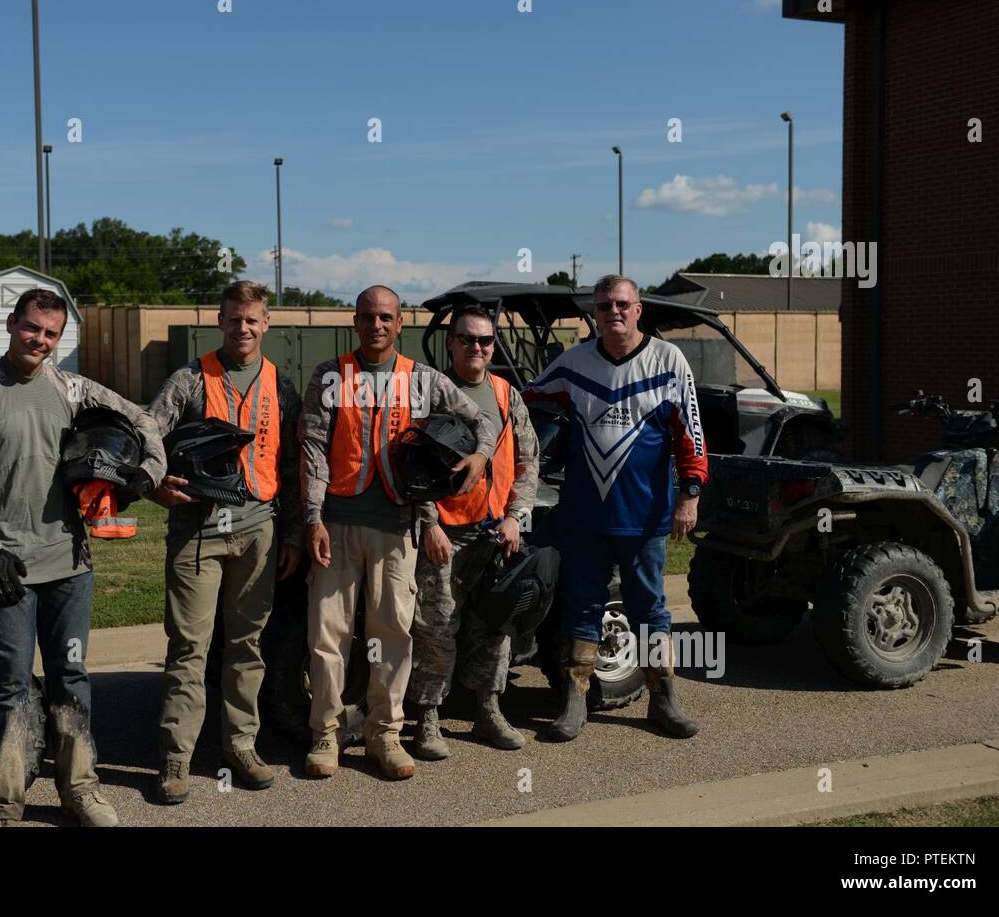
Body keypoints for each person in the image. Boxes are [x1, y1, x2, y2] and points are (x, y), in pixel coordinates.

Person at [0, 288, 166, 826]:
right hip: (4, 570)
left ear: (61, 340)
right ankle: (3, 805)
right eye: (32, 328)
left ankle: (80, 788)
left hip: (70, 566)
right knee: (10, 688)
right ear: (12, 324)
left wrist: (142, 477)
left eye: (51, 334)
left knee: (71, 677)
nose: (40, 340)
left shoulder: (71, 388)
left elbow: (147, 422)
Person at [298, 285, 496, 780]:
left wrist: (480, 454)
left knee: (391, 635)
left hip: (397, 527)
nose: (376, 325)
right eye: (367, 317)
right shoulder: (331, 376)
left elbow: (481, 418)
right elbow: (312, 449)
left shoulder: (422, 380)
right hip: (338, 527)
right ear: (355, 321)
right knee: (328, 636)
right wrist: (313, 518)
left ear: (399, 322)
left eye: (385, 317)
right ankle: (326, 733)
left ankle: (384, 735)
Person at [525, 275, 707, 742]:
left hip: (644, 516)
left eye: (622, 304)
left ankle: (663, 699)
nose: (614, 312)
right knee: (581, 606)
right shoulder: (574, 362)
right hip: (584, 514)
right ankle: (574, 700)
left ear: (638, 309)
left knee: (650, 608)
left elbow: (691, 433)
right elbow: (523, 401)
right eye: (604, 305)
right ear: (594, 313)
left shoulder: (669, 361)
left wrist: (690, 493)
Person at [147, 280, 302, 804]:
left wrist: (295, 535)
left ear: (266, 324)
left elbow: (291, 467)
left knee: (247, 644)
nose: (244, 328)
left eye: (253, 320)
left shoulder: (282, 387)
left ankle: (240, 745)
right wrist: (155, 485)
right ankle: (176, 758)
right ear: (221, 320)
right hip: (198, 532)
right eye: (234, 319)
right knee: (189, 648)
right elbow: (149, 437)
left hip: (259, 530)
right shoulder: (190, 379)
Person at [408, 305, 539, 759]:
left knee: (494, 624)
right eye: (467, 339)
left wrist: (514, 516)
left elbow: (528, 461)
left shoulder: (506, 395)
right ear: (451, 342)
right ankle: (427, 719)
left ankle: (488, 709)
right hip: (443, 534)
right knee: (437, 627)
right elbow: (410, 469)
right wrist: (430, 524)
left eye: (485, 340)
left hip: (493, 535)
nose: (477, 348)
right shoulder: (429, 395)